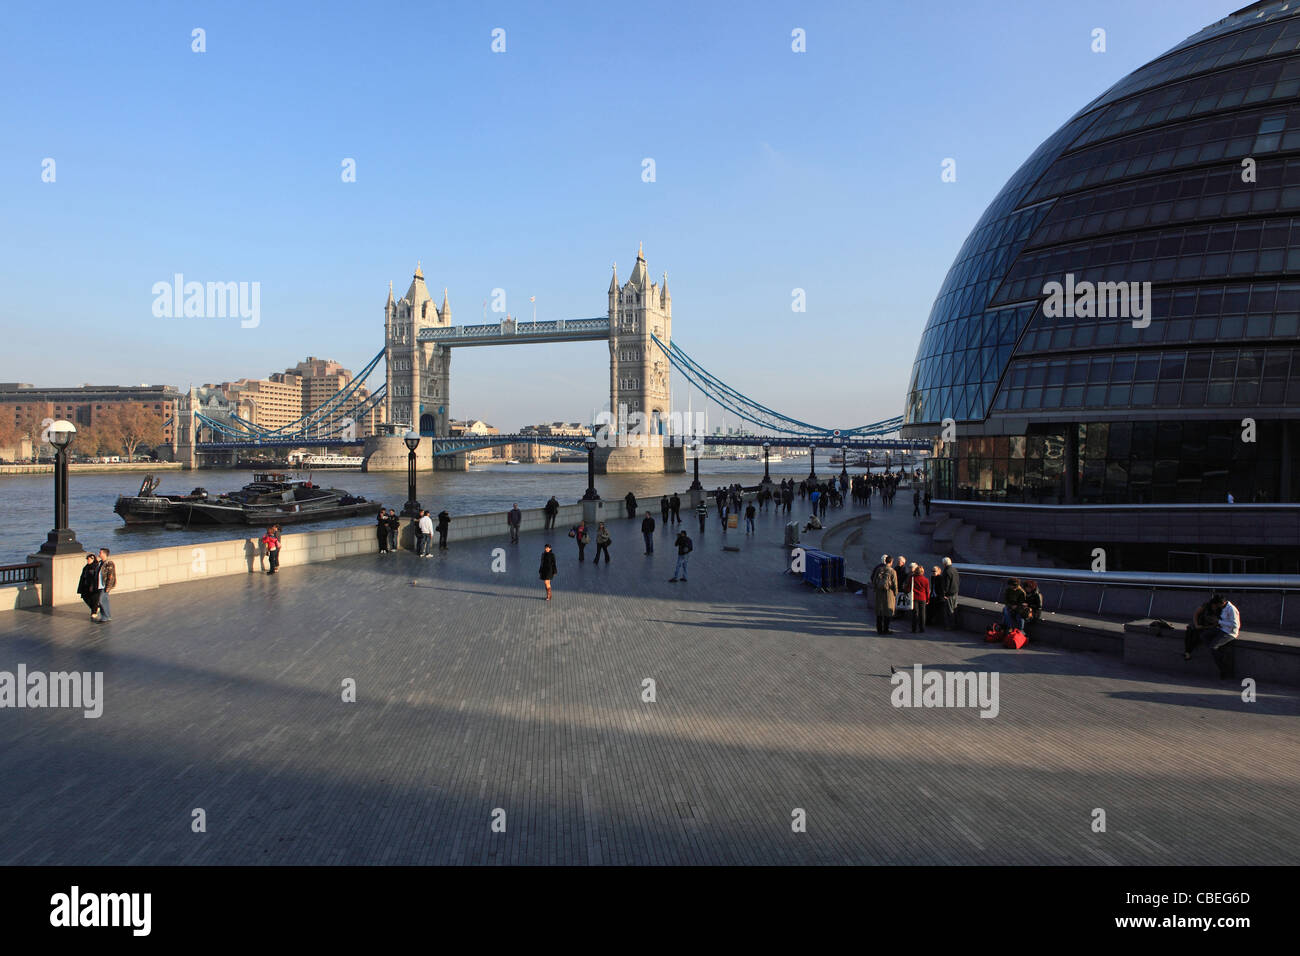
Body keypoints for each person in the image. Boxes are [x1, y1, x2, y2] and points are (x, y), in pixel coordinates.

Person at [870, 554, 897, 634]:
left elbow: (874, 580)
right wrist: (895, 593)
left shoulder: (879, 569)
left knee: (879, 611)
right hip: (889, 593)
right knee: (887, 612)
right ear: (891, 562)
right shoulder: (892, 571)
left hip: (879, 592)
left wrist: (875, 589)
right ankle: (886, 629)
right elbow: (895, 584)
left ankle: (879, 629)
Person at [77, 553, 101, 620]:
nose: (88, 560)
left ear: (93, 559)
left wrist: (92, 585)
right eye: (87, 559)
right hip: (85, 585)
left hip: (93, 586)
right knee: (85, 597)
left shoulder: (96, 566)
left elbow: (95, 577)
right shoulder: (86, 567)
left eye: (89, 559)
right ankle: (95, 608)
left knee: (94, 599)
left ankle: (94, 612)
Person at [95, 547, 116, 620]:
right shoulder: (100, 563)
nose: (99, 554)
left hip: (105, 585)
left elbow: (111, 575)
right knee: (103, 600)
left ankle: (106, 616)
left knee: (102, 599)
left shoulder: (109, 563)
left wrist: (108, 587)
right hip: (99, 585)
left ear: (104, 554)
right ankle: (105, 616)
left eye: (100, 553)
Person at [940, 557, 959, 630]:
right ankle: (954, 624)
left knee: (949, 610)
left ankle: (950, 626)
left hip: (949, 594)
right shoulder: (955, 570)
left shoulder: (947, 571)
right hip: (955, 592)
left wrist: (944, 594)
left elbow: (946, 584)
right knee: (954, 609)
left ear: (944, 564)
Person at [909, 563, 930, 633]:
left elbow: (908, 588)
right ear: (923, 572)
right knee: (922, 613)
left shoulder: (912, 578)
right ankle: (922, 628)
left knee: (915, 613)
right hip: (923, 598)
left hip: (914, 597)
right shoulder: (926, 580)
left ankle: (914, 628)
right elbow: (927, 591)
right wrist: (928, 599)